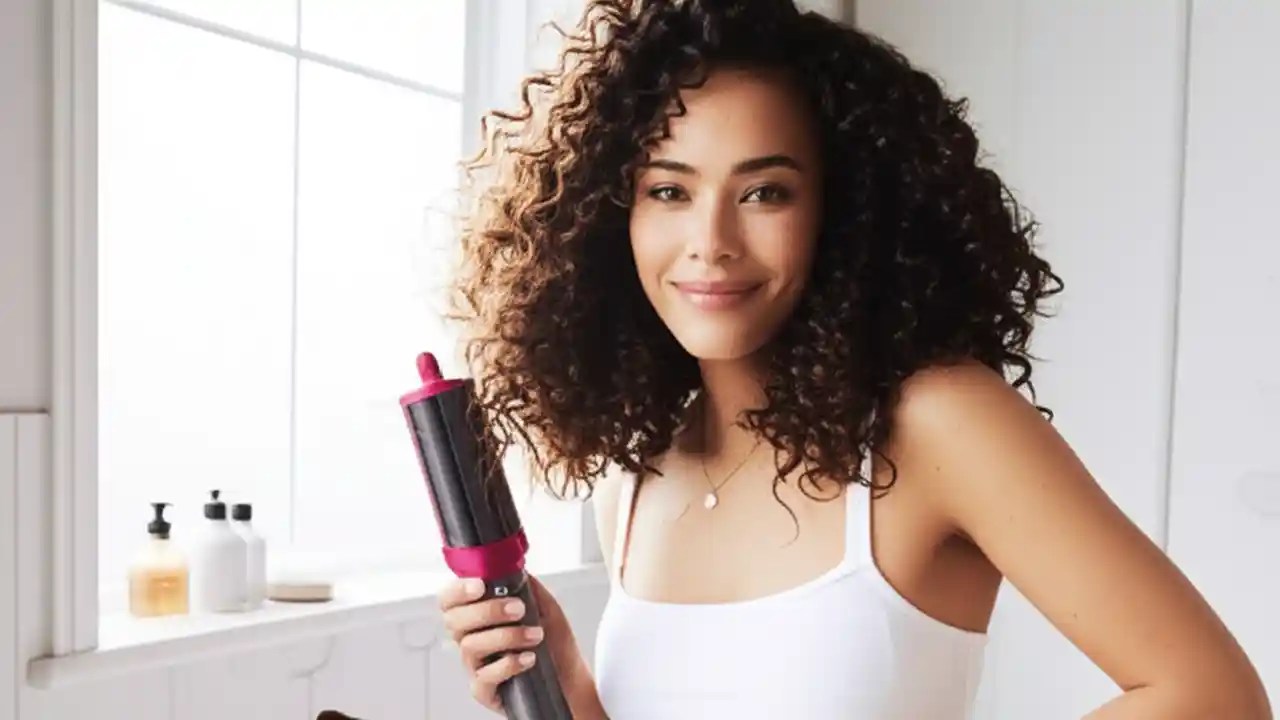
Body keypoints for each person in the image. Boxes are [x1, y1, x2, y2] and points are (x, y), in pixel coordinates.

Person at [437, 1, 1271, 718]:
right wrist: (570, 691)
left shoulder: (938, 424)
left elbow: (1213, 696)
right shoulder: (637, 477)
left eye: (765, 192)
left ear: (840, 210)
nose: (711, 242)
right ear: (608, 218)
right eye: (669, 190)